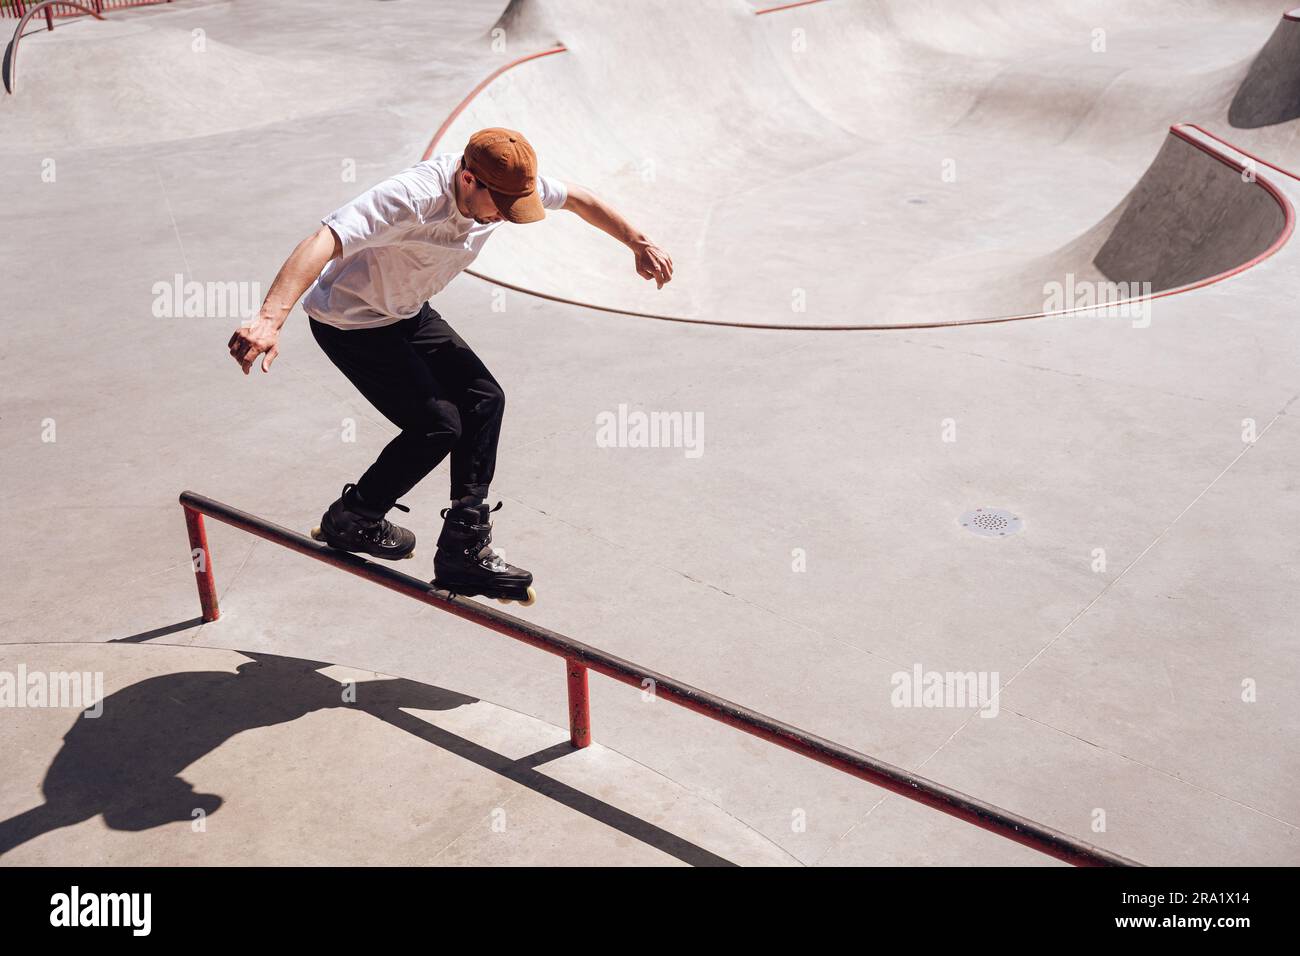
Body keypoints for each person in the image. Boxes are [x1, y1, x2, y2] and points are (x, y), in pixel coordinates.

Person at [228, 128, 672, 604]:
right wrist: (269, 321)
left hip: (406, 312)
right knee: (437, 425)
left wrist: (638, 243)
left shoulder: (506, 185)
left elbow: (579, 199)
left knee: (485, 399)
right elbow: (322, 241)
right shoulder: (410, 197)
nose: (503, 216)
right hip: (350, 321)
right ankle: (355, 518)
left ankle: (464, 546)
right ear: (467, 179)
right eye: (499, 206)